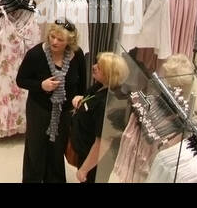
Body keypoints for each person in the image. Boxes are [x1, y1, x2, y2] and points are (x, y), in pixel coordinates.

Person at [16, 20, 86, 183]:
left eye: (60, 39)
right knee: (36, 148)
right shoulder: (36, 54)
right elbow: (21, 80)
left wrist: (79, 99)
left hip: (64, 112)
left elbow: (82, 82)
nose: (54, 42)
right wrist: (41, 85)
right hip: (39, 109)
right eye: (52, 36)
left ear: (70, 41)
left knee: (57, 149)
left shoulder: (78, 55)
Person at [72, 51, 130, 184]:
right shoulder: (100, 85)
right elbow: (91, 100)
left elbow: (102, 143)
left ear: (110, 74)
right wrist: (81, 99)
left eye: (100, 67)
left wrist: (84, 170)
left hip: (96, 160)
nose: (94, 66)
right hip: (85, 149)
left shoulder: (108, 103)